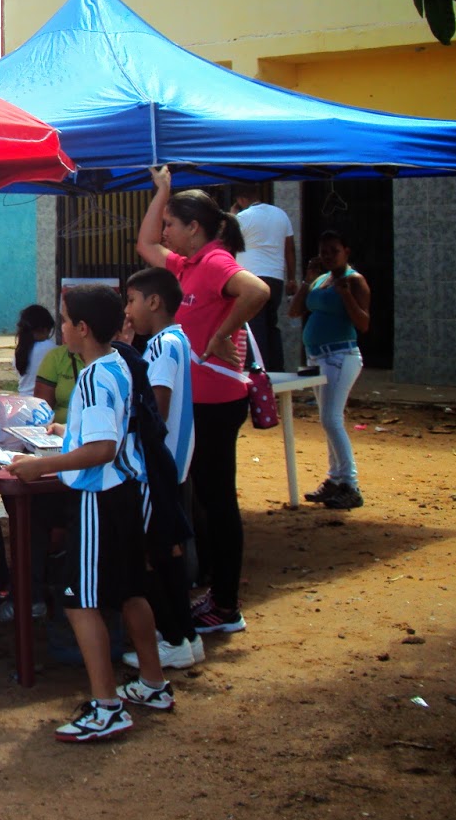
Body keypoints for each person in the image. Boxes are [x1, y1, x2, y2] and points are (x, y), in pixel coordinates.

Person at [9, 285, 168, 742]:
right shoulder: (119, 362)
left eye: (64, 320)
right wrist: (66, 430)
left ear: (82, 329)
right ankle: (153, 684)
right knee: (131, 590)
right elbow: (104, 432)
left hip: (100, 497)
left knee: (81, 602)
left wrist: (42, 465)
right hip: (125, 493)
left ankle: (107, 705)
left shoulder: (95, 376)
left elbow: (102, 448)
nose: (60, 328)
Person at [136, 166, 270, 638]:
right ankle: (212, 590)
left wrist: (222, 332)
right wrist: (163, 193)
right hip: (200, 401)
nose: (165, 230)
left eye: (173, 222)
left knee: (217, 500)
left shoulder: (214, 262)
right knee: (202, 501)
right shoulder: (187, 264)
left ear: (194, 228)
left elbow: (257, 290)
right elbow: (146, 246)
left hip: (216, 399)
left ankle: (226, 604)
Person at [123, 267, 201, 670]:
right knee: (166, 550)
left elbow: (156, 408)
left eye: (132, 300)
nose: (128, 310)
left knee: (153, 554)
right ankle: (184, 636)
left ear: (153, 302)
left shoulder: (160, 346)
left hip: (156, 465)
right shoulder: (177, 340)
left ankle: (172, 636)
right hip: (171, 463)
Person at [288, 230, 371, 510]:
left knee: (331, 419)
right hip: (317, 357)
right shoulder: (321, 280)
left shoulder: (354, 280)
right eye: (323, 251)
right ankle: (335, 479)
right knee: (328, 419)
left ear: (346, 251)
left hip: (341, 355)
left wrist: (346, 296)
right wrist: (307, 281)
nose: (327, 256)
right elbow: (295, 311)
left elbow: (363, 324)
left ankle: (350, 484)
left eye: (333, 251)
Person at [231, 184, 296, 372]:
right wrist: (292, 278)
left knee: (253, 325)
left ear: (241, 200)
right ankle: (276, 368)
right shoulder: (280, 214)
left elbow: (227, 241)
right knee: (271, 324)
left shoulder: (242, 218)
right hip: (275, 277)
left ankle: (258, 369)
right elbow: (289, 248)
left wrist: (233, 216)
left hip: (250, 278)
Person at [34, 338, 84, 425]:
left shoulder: (111, 363)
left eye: (66, 324)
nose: (63, 329)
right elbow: (41, 412)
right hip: (59, 434)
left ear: (82, 328)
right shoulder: (56, 357)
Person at [14, 304, 57, 393]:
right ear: (45, 329)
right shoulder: (50, 348)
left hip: (23, 400)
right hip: (42, 402)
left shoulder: (20, 351)